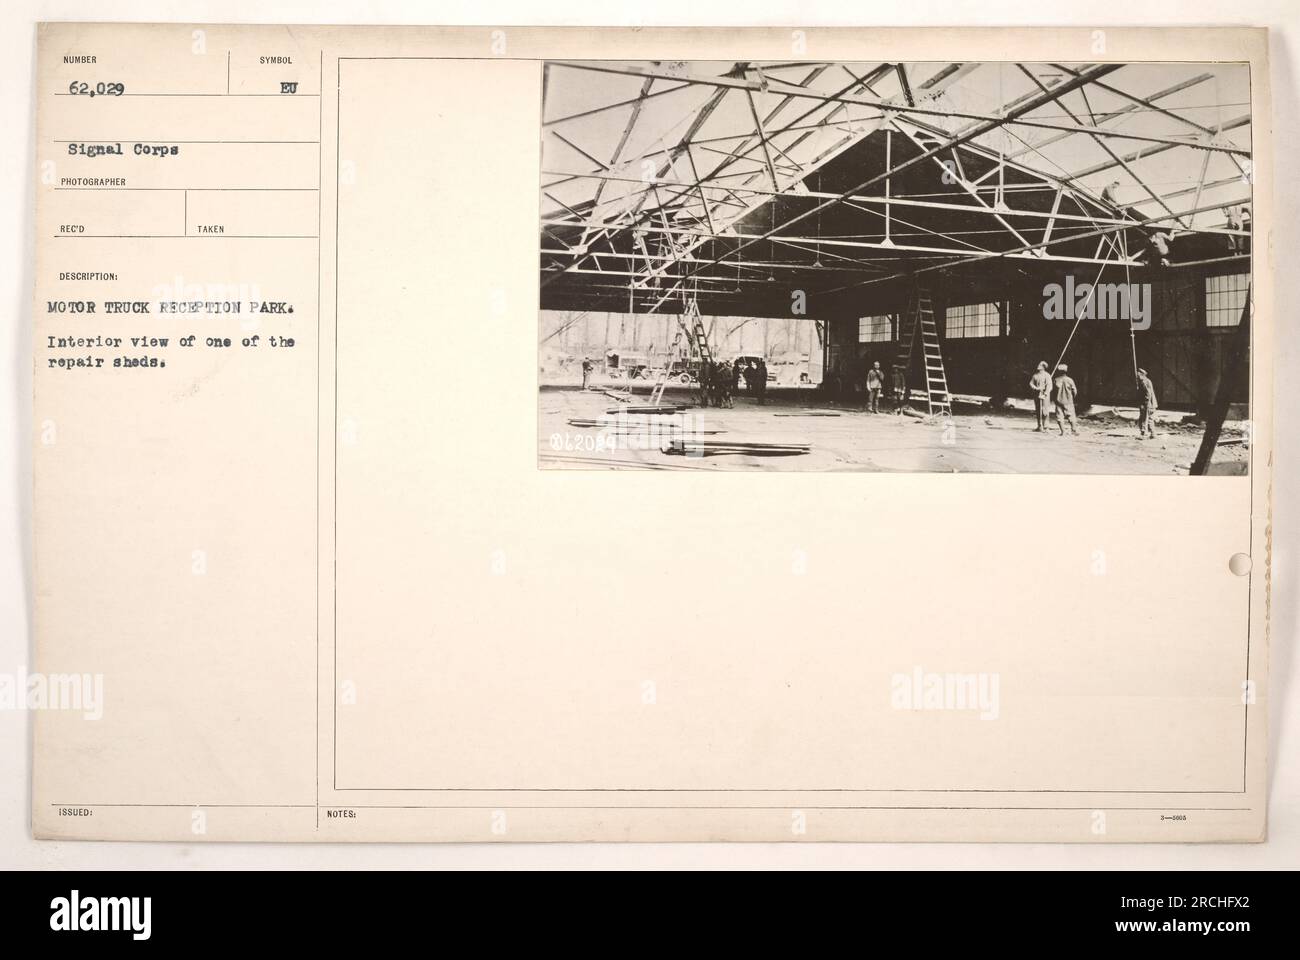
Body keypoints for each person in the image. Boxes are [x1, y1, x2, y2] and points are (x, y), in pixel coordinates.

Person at [1052, 363, 1079, 436]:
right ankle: (1074, 431)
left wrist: (1055, 399)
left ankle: (1063, 432)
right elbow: (1074, 391)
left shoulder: (1056, 380)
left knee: (1059, 417)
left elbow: (1053, 391)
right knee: (1071, 416)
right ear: (1066, 371)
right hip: (1068, 401)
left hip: (1058, 401)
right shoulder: (1070, 380)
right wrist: (1072, 398)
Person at [1029, 361, 1052, 432]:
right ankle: (1039, 426)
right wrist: (1035, 388)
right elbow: (1030, 383)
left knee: (1045, 411)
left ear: (1043, 367)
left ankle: (1046, 426)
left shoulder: (1047, 375)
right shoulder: (1035, 375)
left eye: (1040, 365)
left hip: (1045, 396)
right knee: (1038, 410)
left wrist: (1045, 393)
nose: (1038, 366)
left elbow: (1049, 386)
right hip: (1037, 395)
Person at [1136, 367, 1158, 439]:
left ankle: (1143, 433)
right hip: (1152, 404)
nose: (1137, 376)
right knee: (1150, 419)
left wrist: (1144, 404)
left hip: (1148, 404)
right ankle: (1153, 434)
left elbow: (1148, 394)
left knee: (1143, 418)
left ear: (1142, 375)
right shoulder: (1147, 381)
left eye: (1138, 375)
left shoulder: (1144, 382)